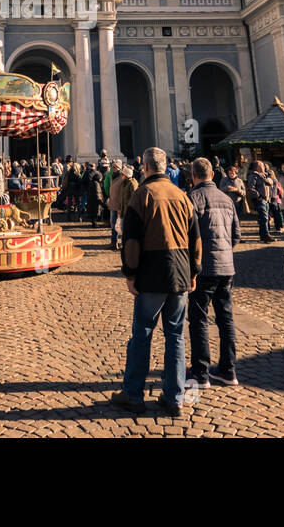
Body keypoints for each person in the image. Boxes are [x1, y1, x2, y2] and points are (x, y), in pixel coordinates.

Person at [111, 147, 201, 418]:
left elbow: (131, 242)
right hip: (181, 274)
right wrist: (195, 271)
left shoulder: (142, 195)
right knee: (175, 336)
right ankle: (174, 398)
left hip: (151, 273)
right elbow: (196, 239)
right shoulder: (182, 196)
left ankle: (133, 394)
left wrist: (130, 273)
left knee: (142, 334)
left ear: (146, 168)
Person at [186, 158, 241, 389]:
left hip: (203, 269)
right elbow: (236, 235)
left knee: (198, 319)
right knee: (226, 319)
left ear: (193, 175)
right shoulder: (227, 199)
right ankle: (228, 371)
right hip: (227, 268)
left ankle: (201, 374)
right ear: (211, 174)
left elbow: (186, 236)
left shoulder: (192, 199)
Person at [107, 161, 137, 251]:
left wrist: (121, 207)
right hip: (117, 205)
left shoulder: (129, 183)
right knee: (115, 225)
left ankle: (125, 245)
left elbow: (131, 197)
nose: (113, 168)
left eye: (115, 167)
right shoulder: (119, 179)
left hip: (123, 207)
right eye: (113, 167)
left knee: (123, 227)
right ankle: (115, 243)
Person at [245, 160, 273, 242]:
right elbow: (250, 188)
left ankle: (265, 235)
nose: (264, 167)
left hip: (266, 200)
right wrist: (259, 196)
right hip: (260, 200)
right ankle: (265, 235)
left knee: (266, 218)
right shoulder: (253, 175)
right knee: (263, 218)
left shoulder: (264, 176)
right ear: (257, 167)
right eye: (262, 165)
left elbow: (271, 183)